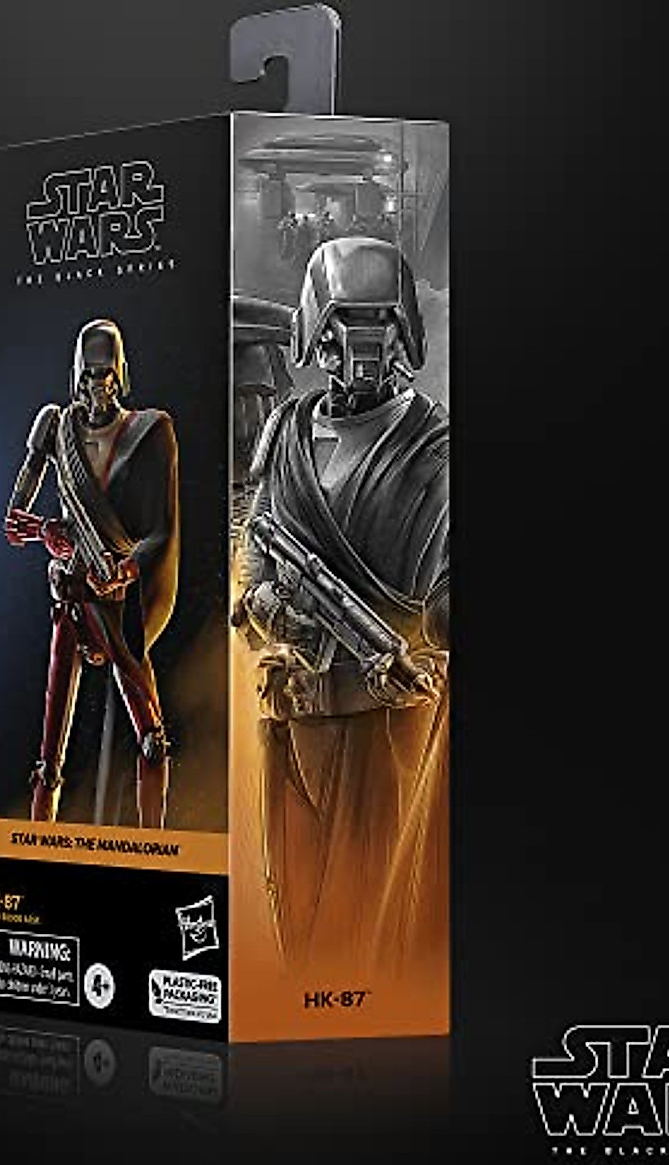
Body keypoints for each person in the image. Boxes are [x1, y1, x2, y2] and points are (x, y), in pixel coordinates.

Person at [232, 237, 449, 966]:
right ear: (315, 335)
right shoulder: (287, 431)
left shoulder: (432, 449)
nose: (359, 356)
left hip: (383, 727)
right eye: (341, 332)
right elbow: (255, 553)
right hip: (289, 711)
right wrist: (273, 611)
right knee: (293, 922)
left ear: (402, 336)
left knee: (367, 928)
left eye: (376, 330)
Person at [4, 319, 179, 828]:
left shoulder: (148, 431)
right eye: (88, 376)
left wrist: (126, 570)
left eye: (104, 375)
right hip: (73, 593)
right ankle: (39, 845)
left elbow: (161, 531)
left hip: (117, 601)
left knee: (151, 739)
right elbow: (14, 517)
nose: (96, 386)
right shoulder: (56, 426)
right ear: (75, 375)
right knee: (47, 762)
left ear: (119, 373)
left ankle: (154, 848)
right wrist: (45, 530)